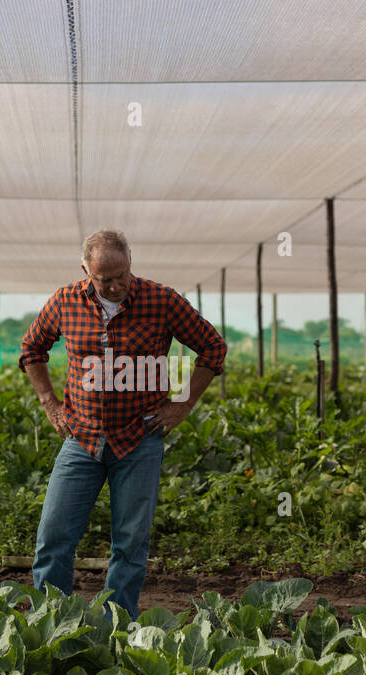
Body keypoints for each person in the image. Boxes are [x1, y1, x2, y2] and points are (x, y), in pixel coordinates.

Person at [18, 229, 226, 621]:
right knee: (54, 536)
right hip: (81, 437)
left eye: (122, 276)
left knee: (130, 542)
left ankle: (118, 626)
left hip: (139, 439)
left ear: (130, 264)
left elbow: (213, 347)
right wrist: (49, 402)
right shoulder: (65, 301)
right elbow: (31, 348)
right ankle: (52, 622)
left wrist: (182, 405)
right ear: (85, 270)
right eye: (105, 279)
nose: (116, 286)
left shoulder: (161, 301)